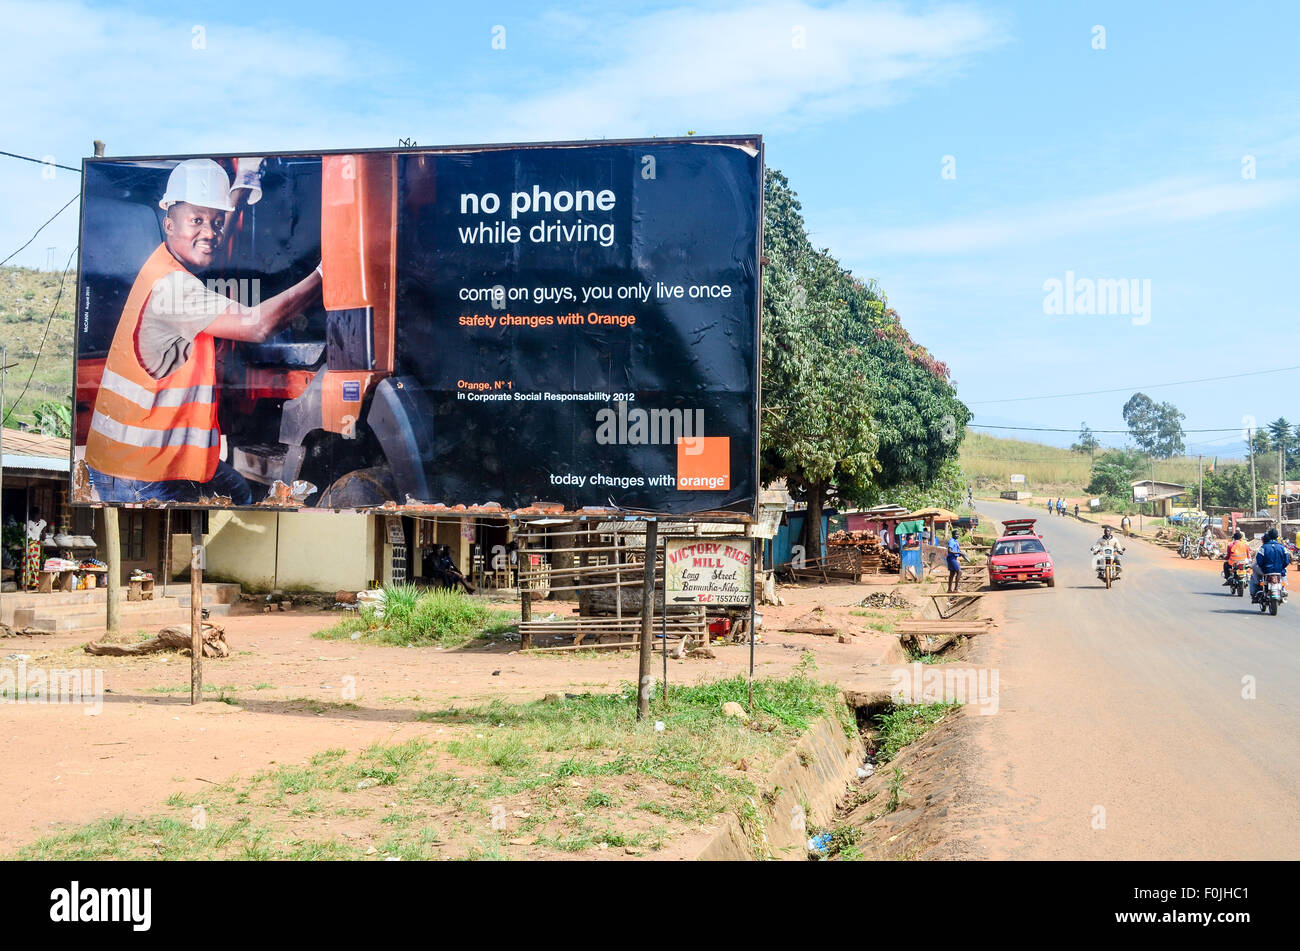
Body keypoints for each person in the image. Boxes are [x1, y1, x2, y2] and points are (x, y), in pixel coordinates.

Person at [84, 158, 323, 505]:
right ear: (168, 222)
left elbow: (208, 233)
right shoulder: (172, 289)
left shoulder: (163, 261)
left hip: (139, 457)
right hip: (141, 473)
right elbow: (259, 325)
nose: (210, 232)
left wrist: (243, 182)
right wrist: (325, 275)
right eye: (196, 220)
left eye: (217, 221)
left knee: (239, 492)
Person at [1250, 528, 1289, 601]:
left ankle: (1254, 593)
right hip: (1279, 571)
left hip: (1266, 571)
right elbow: (1287, 561)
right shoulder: (1282, 548)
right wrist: (1281, 567)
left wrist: (1263, 567)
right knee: (1284, 575)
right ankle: (1282, 589)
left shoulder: (1263, 548)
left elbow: (1259, 561)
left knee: (1254, 575)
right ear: (1277, 536)